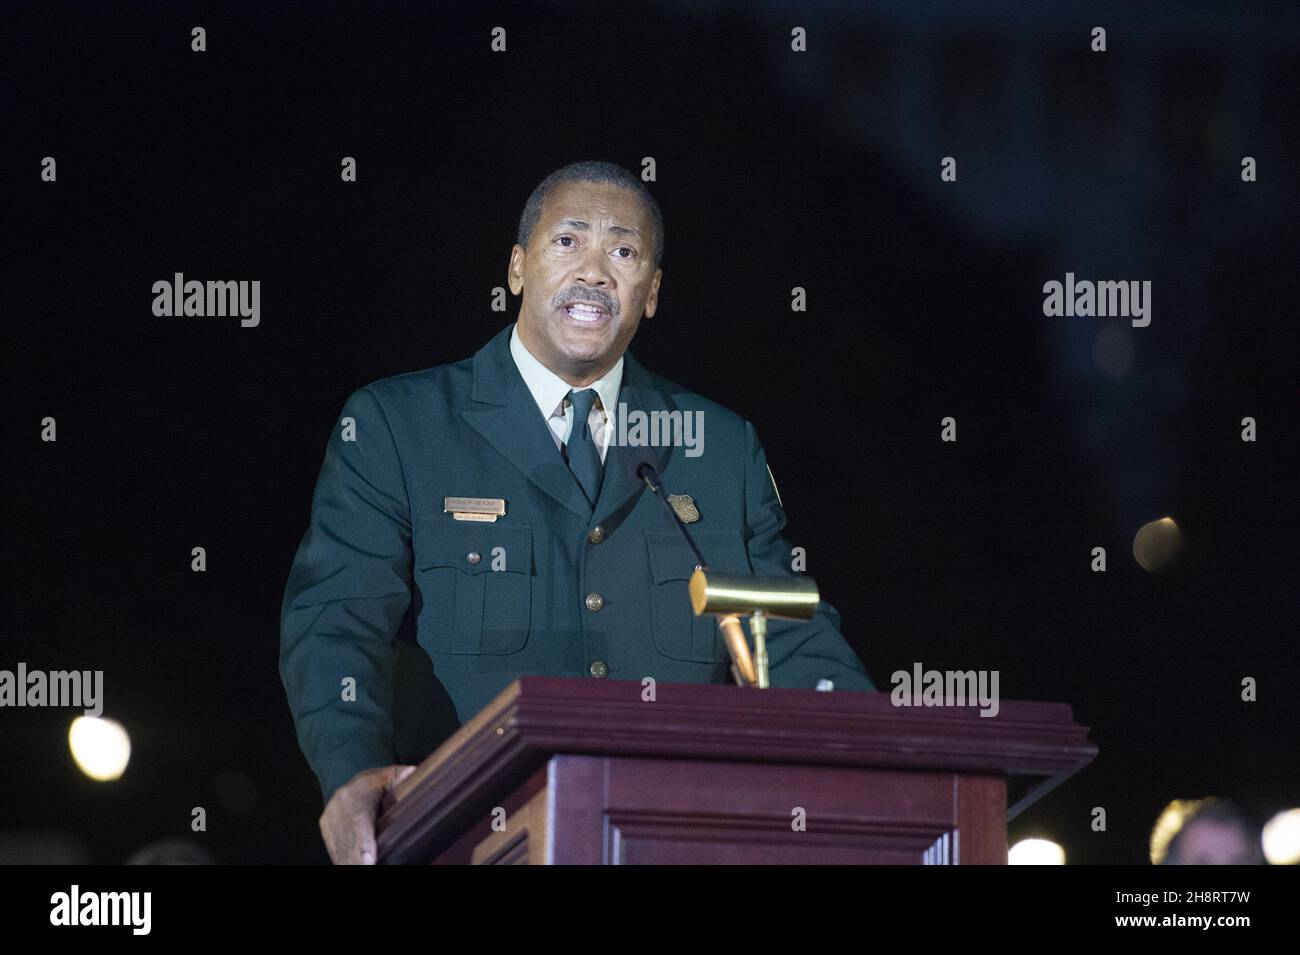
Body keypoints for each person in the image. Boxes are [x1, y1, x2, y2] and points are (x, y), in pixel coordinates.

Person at [279, 160, 875, 864]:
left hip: (668, 844)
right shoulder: (398, 425)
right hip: (468, 840)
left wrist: (881, 760)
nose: (595, 271)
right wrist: (351, 772)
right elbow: (338, 621)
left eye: (623, 252)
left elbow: (784, 635)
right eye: (568, 242)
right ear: (517, 268)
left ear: (650, 293)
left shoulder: (716, 447)